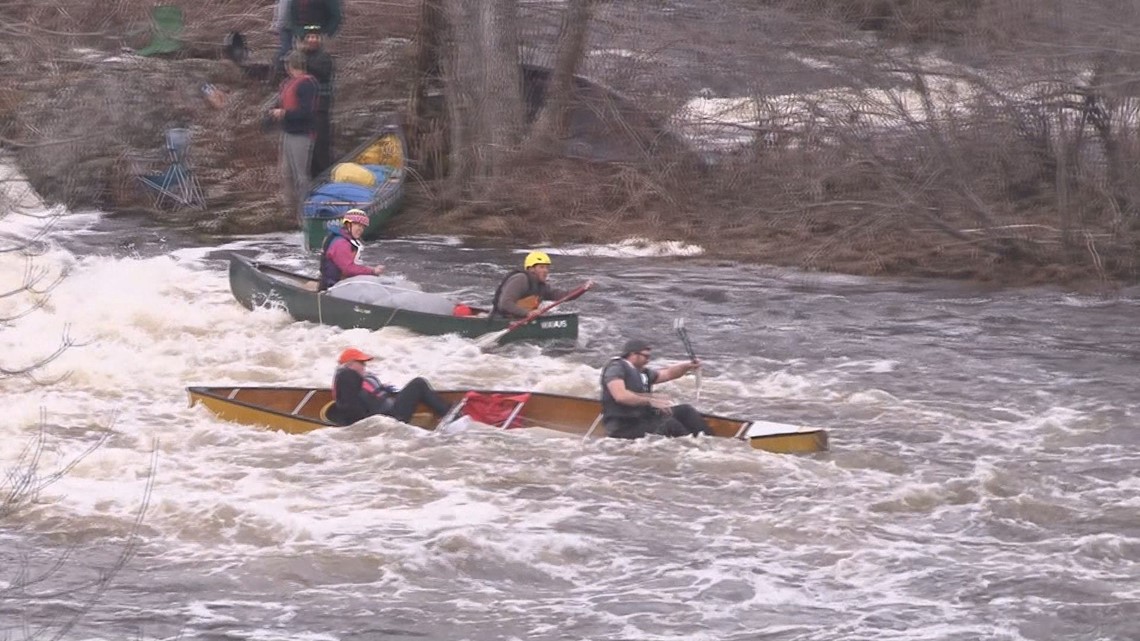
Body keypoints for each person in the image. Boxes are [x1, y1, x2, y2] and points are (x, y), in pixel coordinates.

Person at [599, 338, 711, 440]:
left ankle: (707, 440)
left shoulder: (642, 372)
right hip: (624, 426)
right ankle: (693, 448)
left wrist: (687, 366)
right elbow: (621, 396)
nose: (648, 360)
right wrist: (650, 401)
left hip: (643, 418)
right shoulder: (616, 367)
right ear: (633, 354)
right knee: (669, 425)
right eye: (646, 356)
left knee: (686, 411)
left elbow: (668, 373)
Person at [327, 347, 453, 426]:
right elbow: (352, 407)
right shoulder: (347, 378)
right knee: (418, 383)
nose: (364, 365)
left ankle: (446, 413)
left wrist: (382, 390)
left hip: (388, 411)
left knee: (417, 384)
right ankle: (449, 415)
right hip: (391, 417)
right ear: (350, 364)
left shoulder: (354, 378)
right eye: (361, 363)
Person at [270, 50, 318, 224]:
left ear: (292, 65)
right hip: (288, 133)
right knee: (286, 173)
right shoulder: (288, 83)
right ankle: (289, 212)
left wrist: (284, 113)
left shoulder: (307, 85)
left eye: (287, 64)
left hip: (301, 135)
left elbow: (306, 112)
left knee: (301, 176)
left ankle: (306, 214)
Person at [490, 251, 592, 319]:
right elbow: (505, 303)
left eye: (547, 267)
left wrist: (582, 289)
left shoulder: (541, 286)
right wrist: (528, 313)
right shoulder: (521, 279)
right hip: (502, 318)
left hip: (521, 319)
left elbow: (563, 296)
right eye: (541, 267)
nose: (546, 271)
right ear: (531, 269)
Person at [299, 25, 335, 177]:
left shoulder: (324, 57)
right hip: (305, 107)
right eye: (309, 37)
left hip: (320, 106)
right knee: (308, 144)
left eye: (314, 37)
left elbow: (323, 73)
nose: (312, 40)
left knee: (321, 143)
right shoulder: (300, 56)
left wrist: (303, 64)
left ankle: (324, 174)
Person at [318, 209, 385, 290]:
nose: (360, 229)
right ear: (347, 224)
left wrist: (371, 269)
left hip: (340, 285)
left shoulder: (346, 240)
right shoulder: (340, 243)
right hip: (333, 288)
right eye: (358, 225)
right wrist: (372, 271)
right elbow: (348, 269)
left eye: (363, 227)